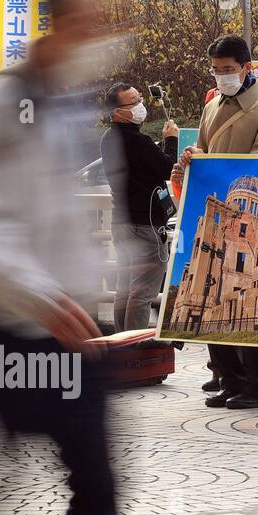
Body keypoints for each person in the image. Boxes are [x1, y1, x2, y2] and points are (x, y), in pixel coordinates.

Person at [0, 0, 119, 515]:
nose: (91, 40)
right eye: (81, 25)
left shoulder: (61, 108)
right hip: (11, 331)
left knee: (95, 484)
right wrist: (37, 295)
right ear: (51, 28)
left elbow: (61, 215)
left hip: (69, 332)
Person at [172, 35, 258, 410]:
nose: (222, 77)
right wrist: (191, 158)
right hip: (214, 210)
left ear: (247, 68)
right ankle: (230, 378)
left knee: (246, 295)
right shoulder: (211, 107)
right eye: (216, 71)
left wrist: (214, 165)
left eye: (229, 70)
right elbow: (204, 150)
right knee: (209, 292)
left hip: (245, 217)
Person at [100, 83, 180, 331]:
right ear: (116, 112)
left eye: (139, 100)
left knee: (125, 289)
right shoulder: (138, 140)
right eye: (132, 103)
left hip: (121, 223)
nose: (140, 106)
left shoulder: (108, 139)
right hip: (146, 226)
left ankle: (121, 345)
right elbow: (167, 167)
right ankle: (134, 349)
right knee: (143, 292)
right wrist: (171, 140)